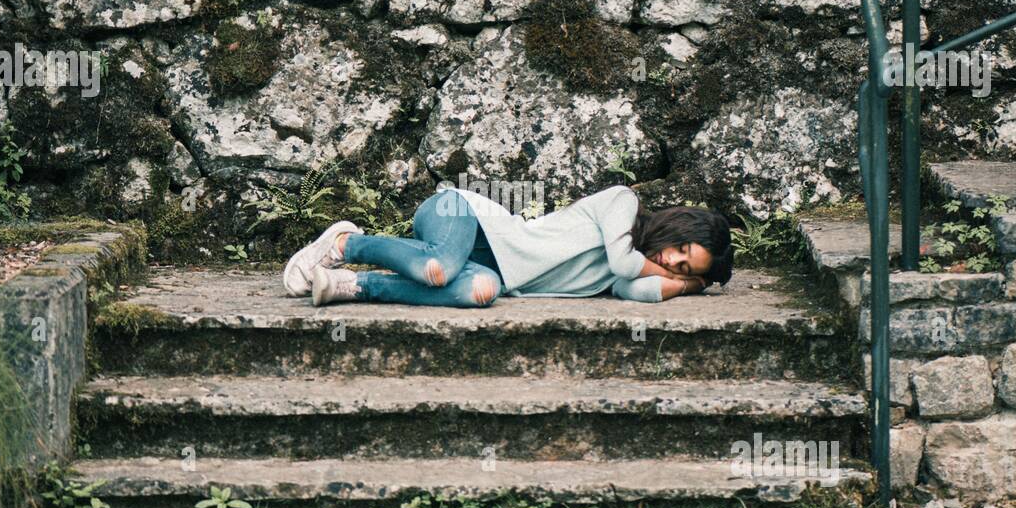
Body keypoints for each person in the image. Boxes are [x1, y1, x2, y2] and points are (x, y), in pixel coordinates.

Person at [283, 184, 734, 308]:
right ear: (679, 225)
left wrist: (687, 287)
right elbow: (622, 259)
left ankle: (353, 288)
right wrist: (683, 277)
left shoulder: (628, 277)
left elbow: (637, 290)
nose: (671, 261)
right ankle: (347, 242)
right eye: (682, 250)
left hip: (489, 270)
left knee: (481, 291)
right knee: (437, 264)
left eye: (683, 266)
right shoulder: (623, 203)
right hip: (461, 216)